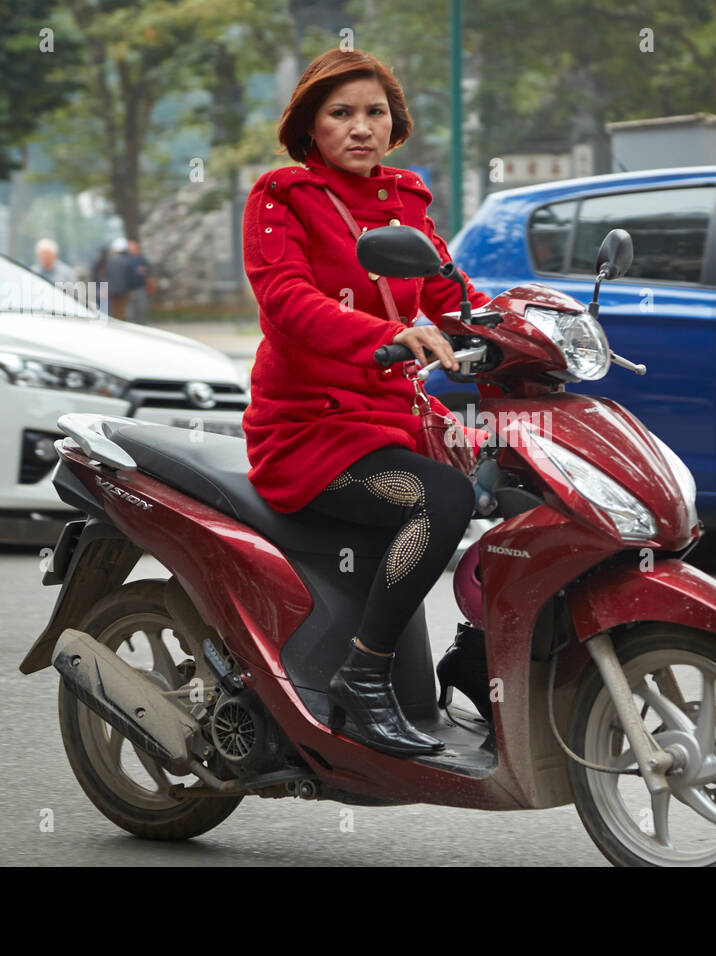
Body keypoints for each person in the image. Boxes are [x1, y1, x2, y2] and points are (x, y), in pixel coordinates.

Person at [241, 48, 490, 757]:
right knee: (439, 500)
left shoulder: (405, 200)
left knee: (525, 480)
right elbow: (287, 303)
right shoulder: (283, 197)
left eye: (374, 112)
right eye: (340, 113)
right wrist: (392, 335)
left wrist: (525, 326)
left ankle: (475, 658)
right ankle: (364, 677)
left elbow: (453, 295)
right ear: (310, 128)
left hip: (395, 421)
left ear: (394, 121)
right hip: (311, 430)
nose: (361, 127)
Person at [125, 238, 153, 325]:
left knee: (142, 310)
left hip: (140, 288)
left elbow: (147, 272)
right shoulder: (126, 260)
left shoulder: (142, 260)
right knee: (130, 313)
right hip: (129, 289)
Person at [105, 237, 131, 319]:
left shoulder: (111, 261)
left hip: (112, 289)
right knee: (122, 309)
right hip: (124, 289)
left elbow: (107, 275)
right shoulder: (128, 260)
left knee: (114, 309)